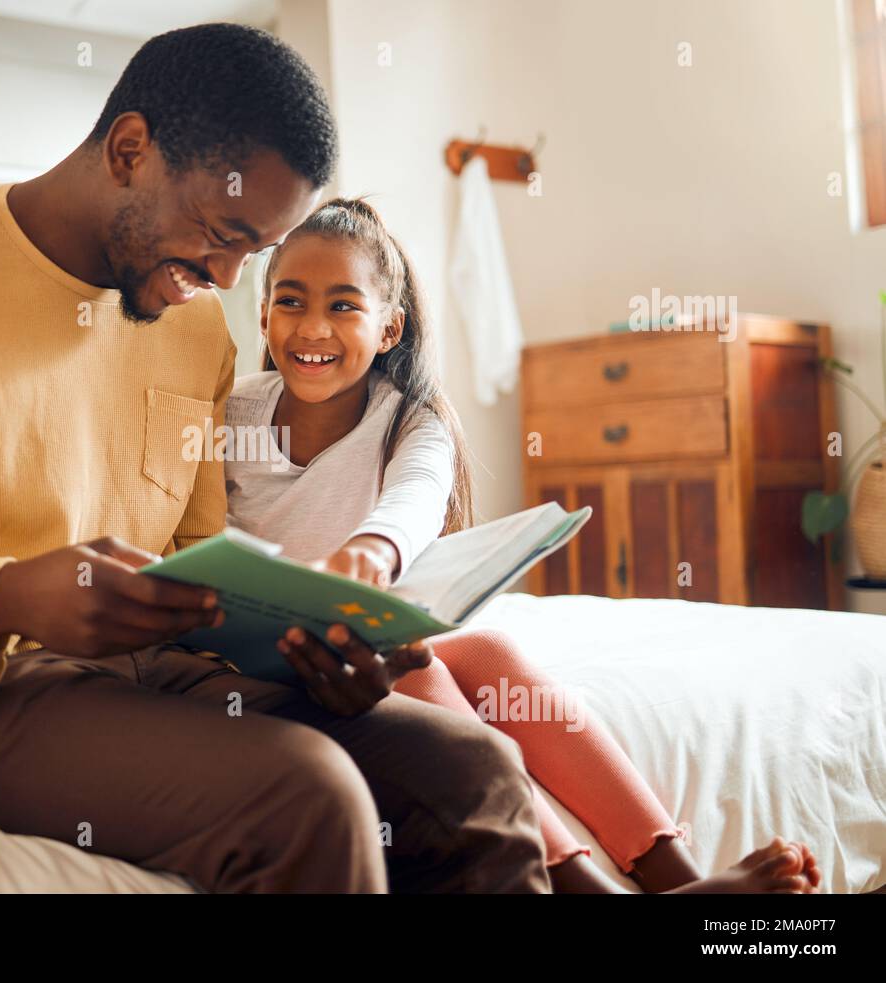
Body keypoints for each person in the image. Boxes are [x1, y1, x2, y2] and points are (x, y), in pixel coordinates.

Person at [0, 24, 550, 894]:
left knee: (474, 769)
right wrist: (7, 593)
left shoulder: (194, 321)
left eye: (256, 251)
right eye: (222, 232)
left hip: (170, 670)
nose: (233, 280)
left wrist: (310, 650)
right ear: (130, 149)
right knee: (308, 797)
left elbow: (199, 560)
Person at [223, 196, 822, 893]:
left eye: (344, 306)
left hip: (362, 639)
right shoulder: (233, 412)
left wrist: (370, 555)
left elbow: (412, 502)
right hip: (276, 662)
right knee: (416, 671)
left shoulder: (412, 420)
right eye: (290, 301)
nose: (313, 327)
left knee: (488, 652)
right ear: (263, 314)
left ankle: (677, 874)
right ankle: (584, 888)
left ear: (389, 328)